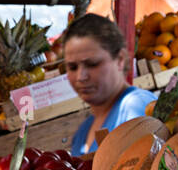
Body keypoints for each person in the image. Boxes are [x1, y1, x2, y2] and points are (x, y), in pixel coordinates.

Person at [64, 14, 155, 157]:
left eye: (92, 64)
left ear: (119, 60)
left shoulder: (137, 106)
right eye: (72, 67)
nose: (81, 77)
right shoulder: (84, 131)